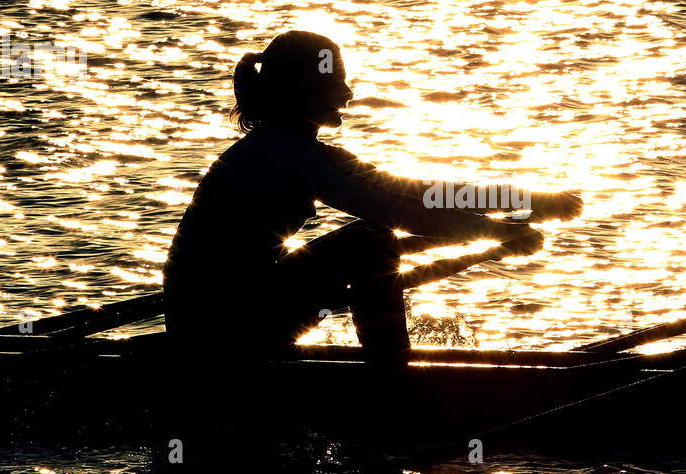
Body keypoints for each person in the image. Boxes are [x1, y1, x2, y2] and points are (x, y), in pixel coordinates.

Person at [162, 30, 581, 364]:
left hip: (221, 309)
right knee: (371, 241)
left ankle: (388, 367)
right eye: (335, 84)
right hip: (220, 328)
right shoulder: (292, 154)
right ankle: (392, 378)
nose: (346, 95)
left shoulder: (284, 146)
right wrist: (495, 231)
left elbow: (410, 194)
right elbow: (398, 210)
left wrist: (530, 202)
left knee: (371, 238)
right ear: (304, 92)